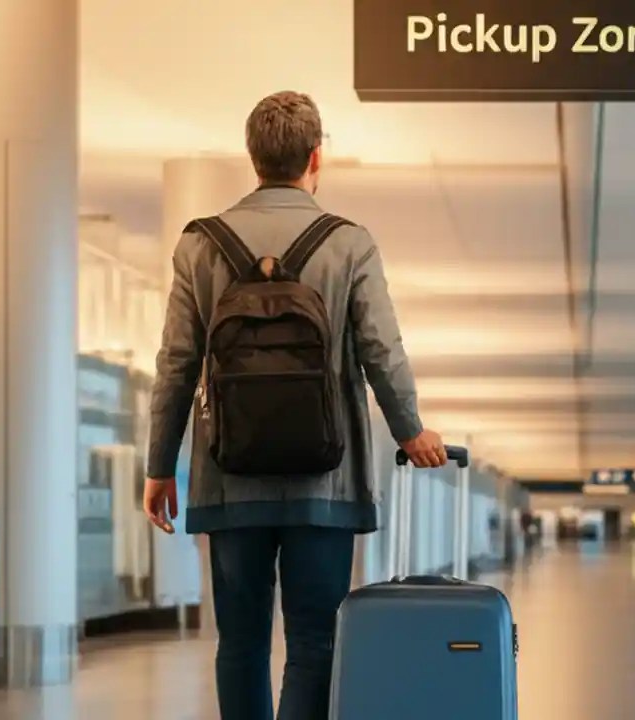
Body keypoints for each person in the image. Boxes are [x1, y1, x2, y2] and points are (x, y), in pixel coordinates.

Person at [142, 90, 447, 720]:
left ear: (252, 158)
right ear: (316, 158)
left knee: (241, 642)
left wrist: (157, 466)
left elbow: (175, 364)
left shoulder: (200, 245)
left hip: (228, 478)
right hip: (324, 478)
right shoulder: (348, 244)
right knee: (315, 640)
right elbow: (380, 350)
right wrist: (410, 430)